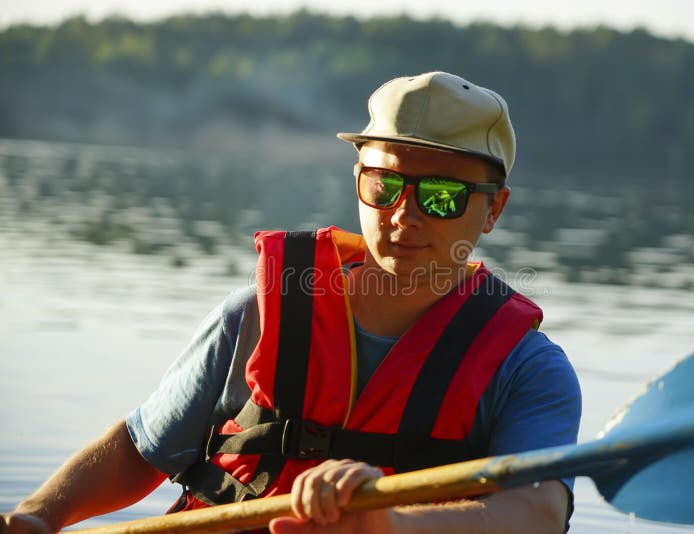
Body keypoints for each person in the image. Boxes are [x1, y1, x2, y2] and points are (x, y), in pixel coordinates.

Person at [3, 71, 581, 534]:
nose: (405, 215)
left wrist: (387, 523)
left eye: (443, 196)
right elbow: (140, 451)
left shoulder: (528, 371)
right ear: (360, 179)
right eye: (385, 186)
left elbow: (538, 514)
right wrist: (40, 515)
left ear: (494, 209)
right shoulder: (251, 318)